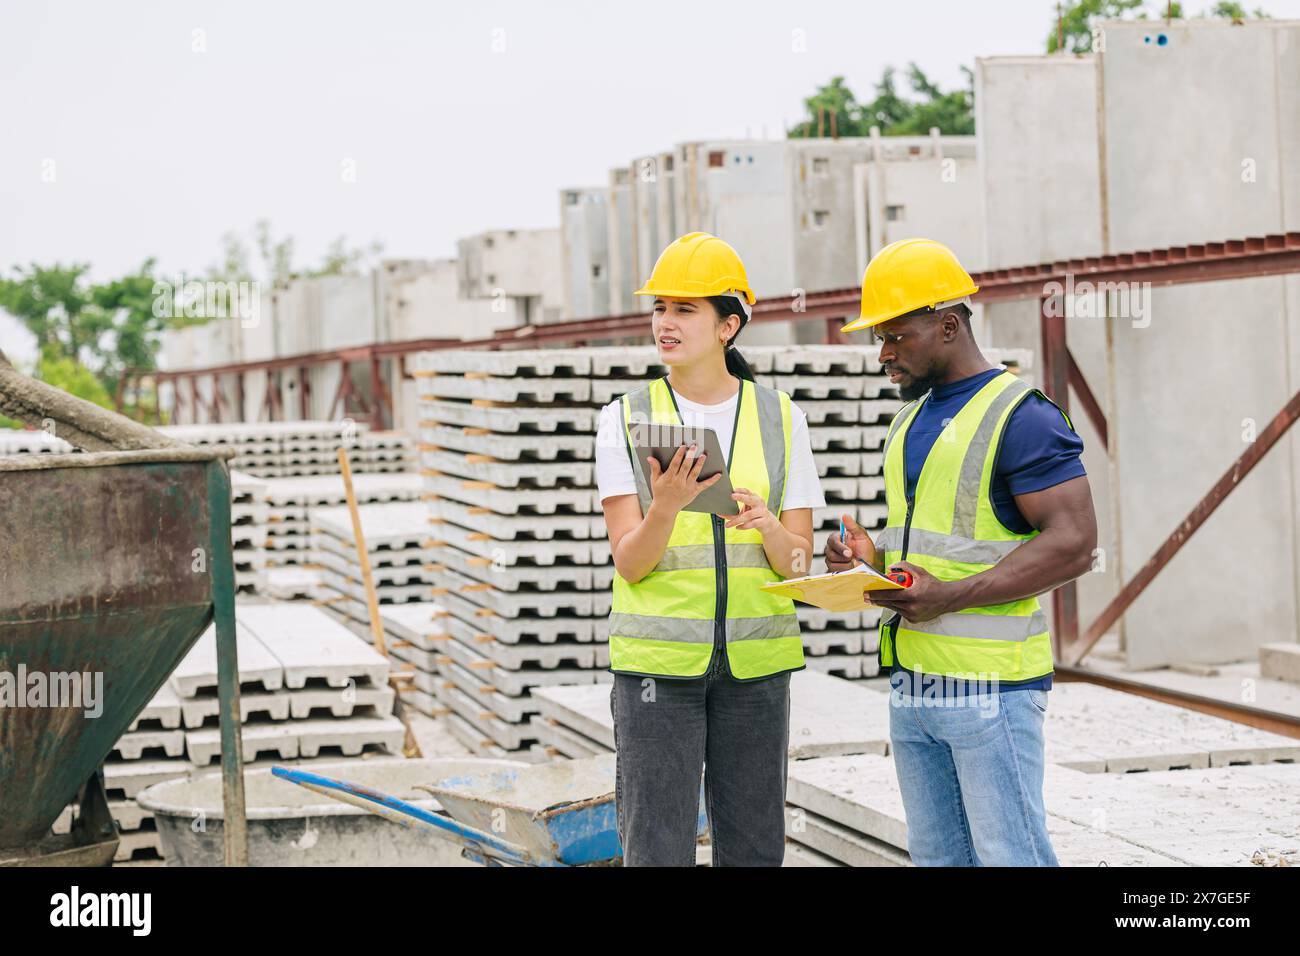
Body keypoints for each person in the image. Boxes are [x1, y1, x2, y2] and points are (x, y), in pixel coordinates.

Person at [825, 237, 1098, 867]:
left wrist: (949, 596)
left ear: (948, 326)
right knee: (938, 859)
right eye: (879, 341)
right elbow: (942, 541)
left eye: (896, 337)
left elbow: (1075, 543)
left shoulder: (1020, 415)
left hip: (990, 689)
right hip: (914, 682)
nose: (885, 355)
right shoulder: (907, 421)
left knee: (1011, 857)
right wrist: (873, 554)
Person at [596, 231, 826, 866]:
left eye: (685, 310)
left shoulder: (781, 418)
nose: (665, 324)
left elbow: (801, 564)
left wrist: (771, 527)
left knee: (754, 848)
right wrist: (666, 502)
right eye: (660, 308)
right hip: (657, 672)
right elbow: (630, 562)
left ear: (729, 326)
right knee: (658, 849)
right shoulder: (624, 418)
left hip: (756, 670)